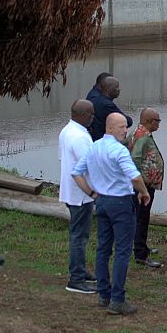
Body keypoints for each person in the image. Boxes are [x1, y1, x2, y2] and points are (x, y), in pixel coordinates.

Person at [71, 113, 152, 315]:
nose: (125, 130)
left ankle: (104, 294)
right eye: (121, 127)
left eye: (125, 127)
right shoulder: (119, 151)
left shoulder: (95, 146)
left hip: (103, 201)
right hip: (121, 202)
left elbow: (76, 172)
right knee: (123, 251)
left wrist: (91, 192)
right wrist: (143, 192)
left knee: (103, 248)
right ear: (109, 128)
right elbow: (134, 177)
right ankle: (117, 299)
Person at [59, 99, 98, 293]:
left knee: (79, 234)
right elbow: (88, 166)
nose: (93, 118)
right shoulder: (80, 137)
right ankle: (75, 278)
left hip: (72, 191)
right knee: (79, 236)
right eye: (91, 114)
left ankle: (80, 271)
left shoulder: (67, 131)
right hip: (81, 194)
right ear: (83, 115)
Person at [127, 107, 164, 269]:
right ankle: (141, 254)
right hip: (143, 187)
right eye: (158, 121)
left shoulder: (139, 133)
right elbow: (135, 159)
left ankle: (142, 247)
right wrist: (141, 182)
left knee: (141, 217)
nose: (159, 124)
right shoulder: (142, 137)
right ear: (149, 121)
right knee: (142, 219)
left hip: (144, 185)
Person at [87, 75, 131, 141]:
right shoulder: (107, 105)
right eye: (117, 87)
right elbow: (128, 121)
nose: (119, 89)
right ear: (108, 88)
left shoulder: (97, 100)